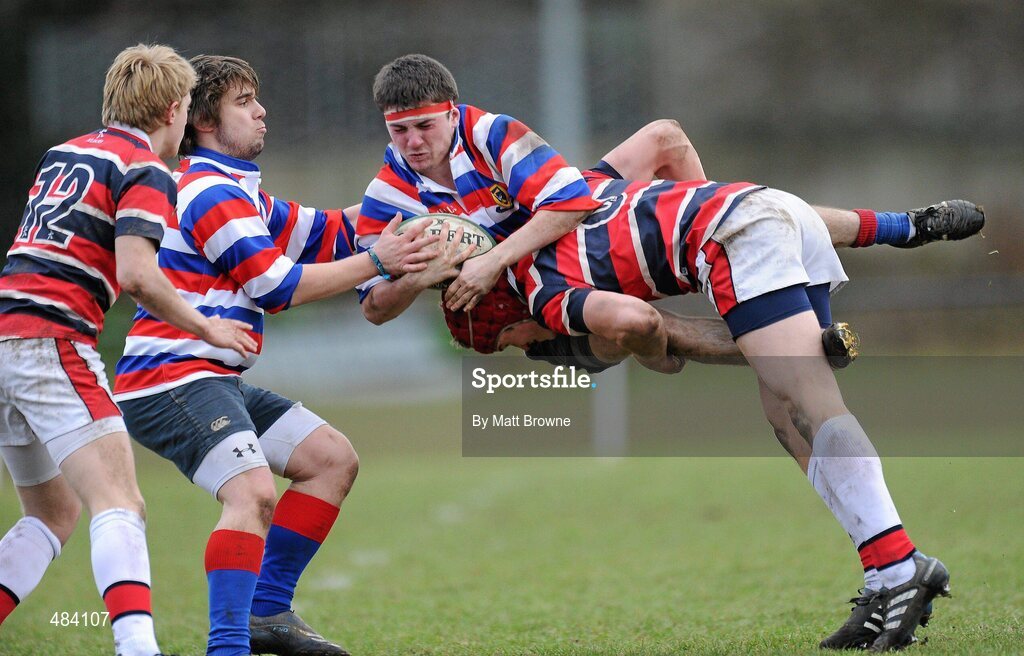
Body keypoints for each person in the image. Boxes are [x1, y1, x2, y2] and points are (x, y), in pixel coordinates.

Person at [442, 138, 978, 650]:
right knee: (788, 416)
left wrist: (657, 354)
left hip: (737, 235)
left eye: (507, 344)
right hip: (772, 210)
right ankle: (885, 574)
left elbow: (637, 321)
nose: (523, 348)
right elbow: (665, 137)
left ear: (502, 321)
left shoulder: (541, 295)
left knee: (810, 403)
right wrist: (702, 205)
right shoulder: (576, 189)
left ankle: (903, 564)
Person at [112, 55, 439, 656]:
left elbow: (338, 230)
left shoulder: (242, 194)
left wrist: (424, 208)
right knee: (251, 494)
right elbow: (277, 286)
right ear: (205, 119)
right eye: (244, 101)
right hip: (169, 380)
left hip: (211, 378)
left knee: (330, 459)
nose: (261, 111)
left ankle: (268, 615)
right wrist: (381, 260)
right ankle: (228, 647)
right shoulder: (208, 190)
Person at [0, 44, 255, 656]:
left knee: (53, 514)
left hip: (7, 334)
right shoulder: (144, 167)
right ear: (173, 109)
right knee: (119, 500)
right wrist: (208, 327)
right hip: (49, 341)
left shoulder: (64, 152)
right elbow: (138, 274)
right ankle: (138, 647)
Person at [355, 53, 603, 321]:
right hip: (517, 305)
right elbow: (373, 308)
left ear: (451, 115)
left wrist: (494, 261)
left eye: (425, 125)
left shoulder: (490, 134)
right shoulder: (384, 195)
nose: (413, 141)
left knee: (655, 137)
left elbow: (572, 201)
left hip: (580, 252)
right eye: (399, 130)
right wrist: (415, 281)